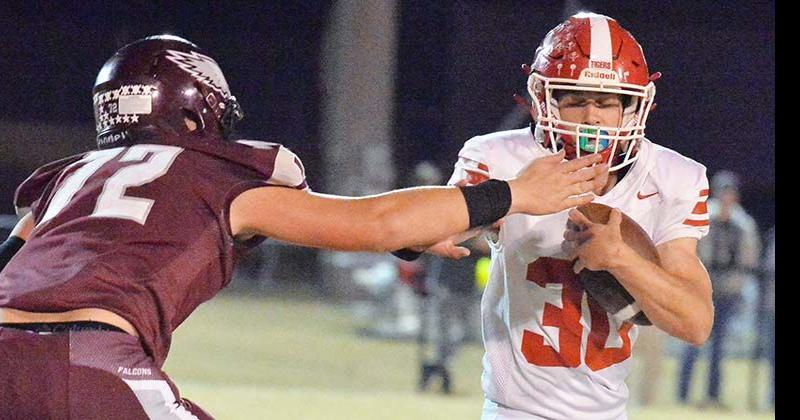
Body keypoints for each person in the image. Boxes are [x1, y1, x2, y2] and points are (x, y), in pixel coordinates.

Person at [0, 35, 607, 418]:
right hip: (88, 361)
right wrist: (512, 194)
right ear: (196, 111)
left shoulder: (68, 177)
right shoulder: (221, 172)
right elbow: (371, 219)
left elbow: (11, 260)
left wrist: (401, 233)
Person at [401, 12, 714, 419]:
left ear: (633, 107)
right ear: (545, 99)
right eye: (576, 99)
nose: (592, 117)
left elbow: (695, 324)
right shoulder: (499, 157)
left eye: (606, 101)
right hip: (515, 411)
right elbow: (414, 234)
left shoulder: (674, 177)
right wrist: (474, 214)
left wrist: (621, 259)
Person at [677, 170, 761, 409]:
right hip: (700, 290)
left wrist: (734, 287)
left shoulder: (743, 224)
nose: (727, 196)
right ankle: (682, 396)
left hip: (726, 293)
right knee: (692, 342)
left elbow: (749, 260)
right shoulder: (703, 216)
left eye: (730, 192)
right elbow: (688, 250)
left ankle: (712, 395)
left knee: (718, 348)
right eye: (724, 191)